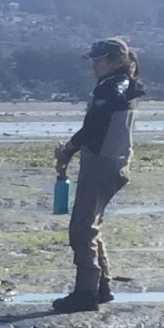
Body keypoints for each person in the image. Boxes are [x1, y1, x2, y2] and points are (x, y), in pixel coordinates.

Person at [51, 38, 144, 313]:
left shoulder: (115, 86)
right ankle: (102, 286)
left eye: (100, 59)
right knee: (92, 223)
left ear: (117, 60)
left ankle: (85, 293)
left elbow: (93, 125)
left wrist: (68, 148)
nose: (94, 64)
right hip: (114, 161)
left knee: (81, 229)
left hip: (103, 162)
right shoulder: (122, 85)